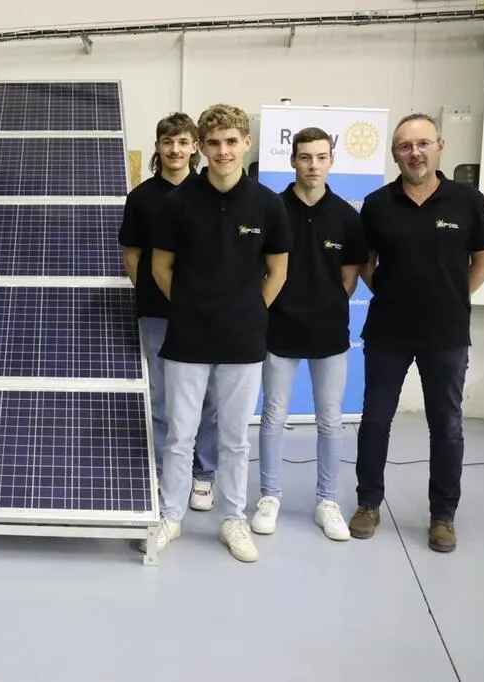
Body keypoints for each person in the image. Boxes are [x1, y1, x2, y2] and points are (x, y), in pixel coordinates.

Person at [150, 103, 292, 563]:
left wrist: (248, 311)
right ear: (202, 148)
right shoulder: (178, 203)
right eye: (214, 143)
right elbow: (160, 267)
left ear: (246, 143)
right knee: (180, 434)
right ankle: (170, 516)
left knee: (234, 438)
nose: (223, 151)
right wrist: (193, 308)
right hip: (187, 339)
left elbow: (278, 271)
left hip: (243, 341)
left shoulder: (268, 204)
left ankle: (233, 518)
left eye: (232, 142)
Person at [349, 113, 484, 553]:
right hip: (388, 332)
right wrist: (391, 294)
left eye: (422, 144)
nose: (414, 152)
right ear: (395, 154)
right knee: (375, 420)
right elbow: (365, 263)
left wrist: (454, 297)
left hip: (446, 335)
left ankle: (443, 516)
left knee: (446, 425)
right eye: (404, 146)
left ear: (439, 146)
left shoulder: (467, 200)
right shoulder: (377, 204)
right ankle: (368, 504)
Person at [251, 127, 367, 542]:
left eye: (321, 157)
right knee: (273, 416)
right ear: (293, 160)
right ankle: (269, 496)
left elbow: (349, 278)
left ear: (331, 160)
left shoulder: (347, 216)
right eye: (305, 157)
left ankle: (327, 500)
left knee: (330, 420)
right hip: (279, 330)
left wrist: (325, 302)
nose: (313, 165)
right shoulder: (272, 208)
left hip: (329, 334)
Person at [118, 112, 219, 528]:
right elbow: (132, 256)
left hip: (208, 315)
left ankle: (203, 474)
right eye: (167, 142)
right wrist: (155, 293)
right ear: (158, 148)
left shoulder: (212, 192)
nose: (175, 149)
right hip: (158, 314)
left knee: (209, 399)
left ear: (195, 146)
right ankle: (162, 472)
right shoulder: (141, 198)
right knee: (161, 397)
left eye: (182, 142)